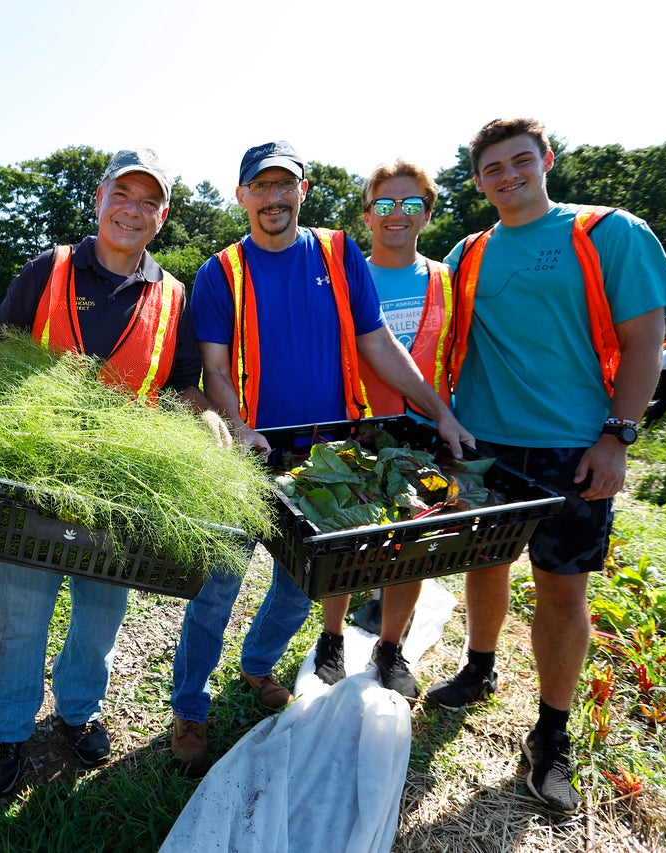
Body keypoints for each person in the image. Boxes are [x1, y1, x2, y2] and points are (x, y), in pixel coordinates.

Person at [168, 141, 472, 777]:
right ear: (242, 195)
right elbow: (216, 370)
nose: (274, 198)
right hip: (244, 457)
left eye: (287, 185)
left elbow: (376, 341)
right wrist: (240, 426)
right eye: (262, 186)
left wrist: (438, 408)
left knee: (301, 583)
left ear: (303, 191)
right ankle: (189, 708)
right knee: (218, 583)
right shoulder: (219, 272)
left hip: (325, 456)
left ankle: (257, 666)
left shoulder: (337, 255)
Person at [429, 117, 666, 814]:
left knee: (562, 589)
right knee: (485, 564)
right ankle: (479, 669)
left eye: (520, 161)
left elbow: (644, 341)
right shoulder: (469, 250)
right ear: (478, 182)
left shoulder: (609, 233)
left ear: (546, 159)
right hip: (482, 443)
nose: (507, 175)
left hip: (572, 447)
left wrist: (617, 437)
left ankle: (551, 733)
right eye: (491, 169)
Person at [0, 149, 216, 798]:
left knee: (101, 614)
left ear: (161, 217)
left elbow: (179, 387)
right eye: (123, 195)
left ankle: (78, 712)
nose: (132, 210)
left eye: (148, 202)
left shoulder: (173, 295)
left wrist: (208, 417)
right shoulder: (49, 268)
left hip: (120, 490)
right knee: (19, 613)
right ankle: (6, 729)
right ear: (100, 197)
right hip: (33, 477)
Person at [300, 159, 458, 701]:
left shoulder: (445, 279)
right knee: (347, 534)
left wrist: (446, 415)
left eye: (411, 204)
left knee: (418, 540)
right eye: (385, 204)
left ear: (428, 214)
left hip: (422, 437)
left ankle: (390, 647)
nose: (398, 214)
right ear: (367, 215)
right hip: (357, 430)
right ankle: (332, 635)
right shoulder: (344, 277)